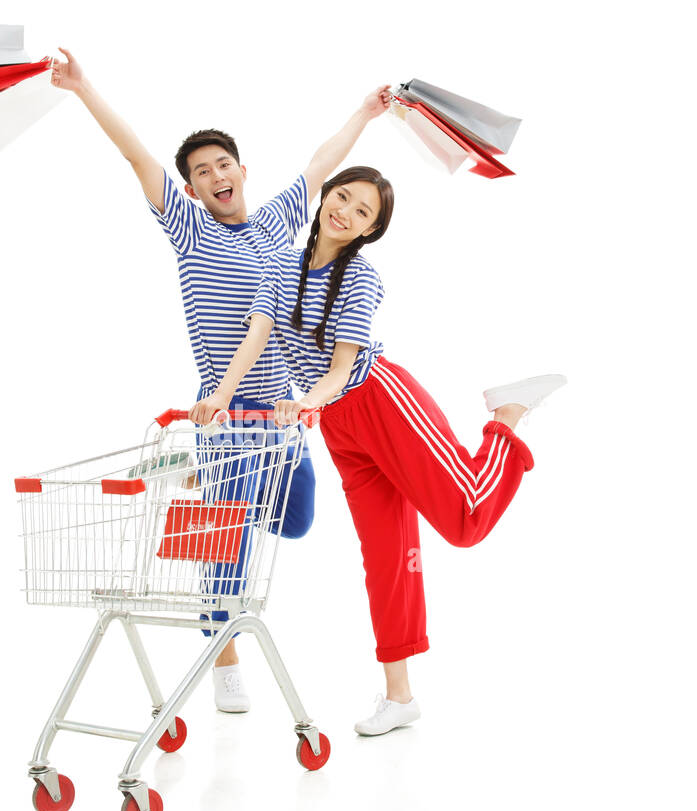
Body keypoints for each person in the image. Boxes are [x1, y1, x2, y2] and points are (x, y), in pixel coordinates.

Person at [49, 50, 390, 713]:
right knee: (228, 549)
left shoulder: (278, 224)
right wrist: (83, 87)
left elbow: (320, 165)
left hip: (285, 413)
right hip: (225, 414)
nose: (215, 176)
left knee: (298, 520)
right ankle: (223, 659)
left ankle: (208, 500)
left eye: (223, 164)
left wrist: (364, 113)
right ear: (192, 190)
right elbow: (137, 156)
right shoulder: (191, 230)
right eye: (201, 172)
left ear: (242, 171)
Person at [191, 166, 567, 735]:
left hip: (380, 401)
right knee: (387, 555)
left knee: (465, 522)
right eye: (342, 197)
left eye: (362, 211)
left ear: (370, 229)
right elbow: (257, 336)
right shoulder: (281, 267)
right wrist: (221, 394)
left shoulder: (361, 278)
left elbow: (342, 368)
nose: (345, 212)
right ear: (326, 197)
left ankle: (507, 417)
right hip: (339, 426)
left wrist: (306, 401)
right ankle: (400, 697)